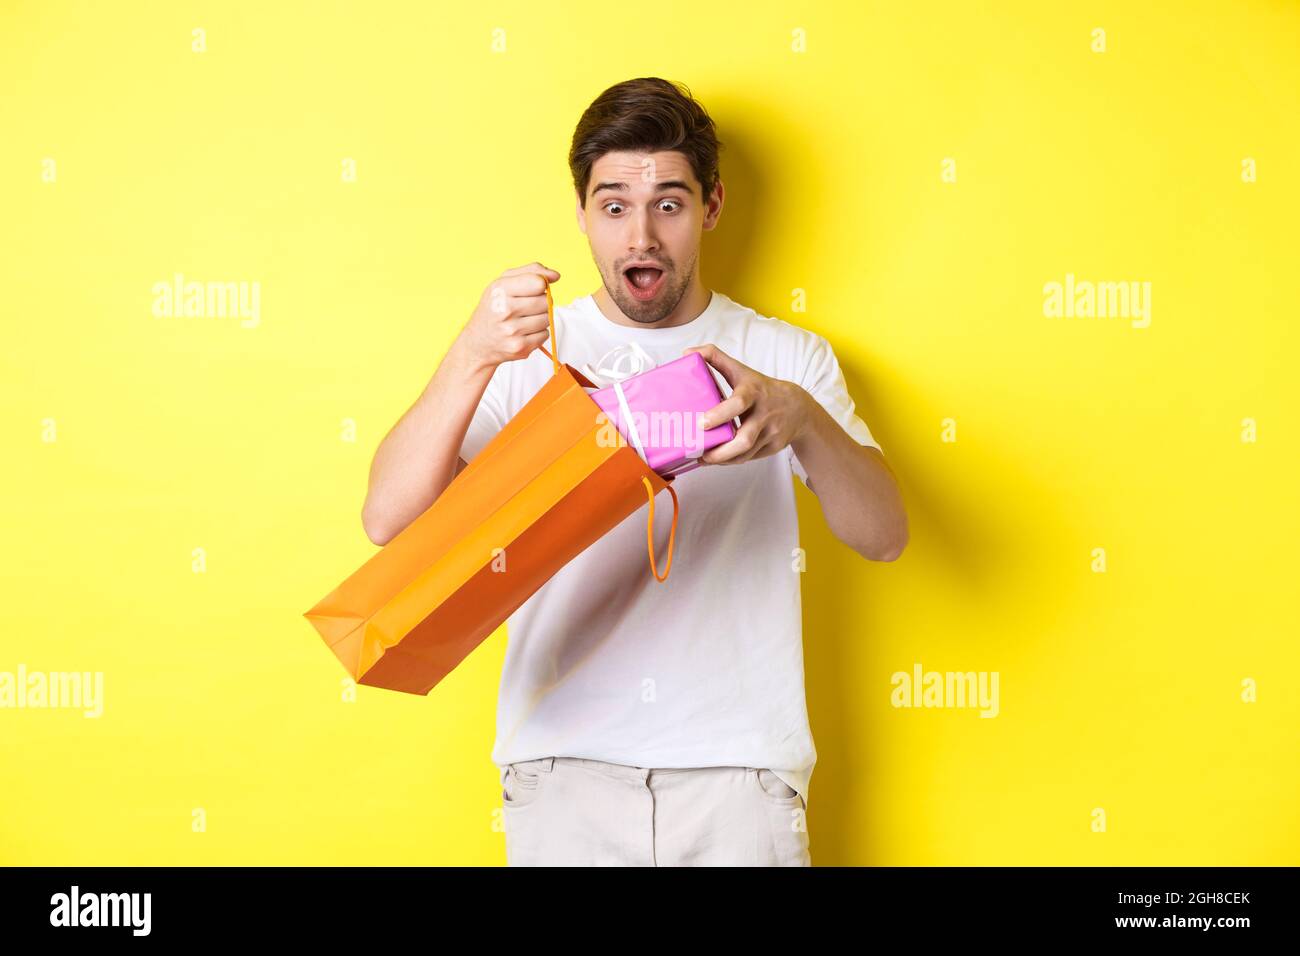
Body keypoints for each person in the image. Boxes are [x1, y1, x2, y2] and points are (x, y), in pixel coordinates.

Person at [361, 77, 908, 866]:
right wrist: (473, 351)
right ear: (582, 212)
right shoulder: (527, 357)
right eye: (614, 206)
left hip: (739, 773)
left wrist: (803, 418)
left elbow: (885, 536)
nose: (641, 238)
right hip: (561, 768)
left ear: (711, 206)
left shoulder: (788, 358)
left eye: (670, 204)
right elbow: (388, 519)